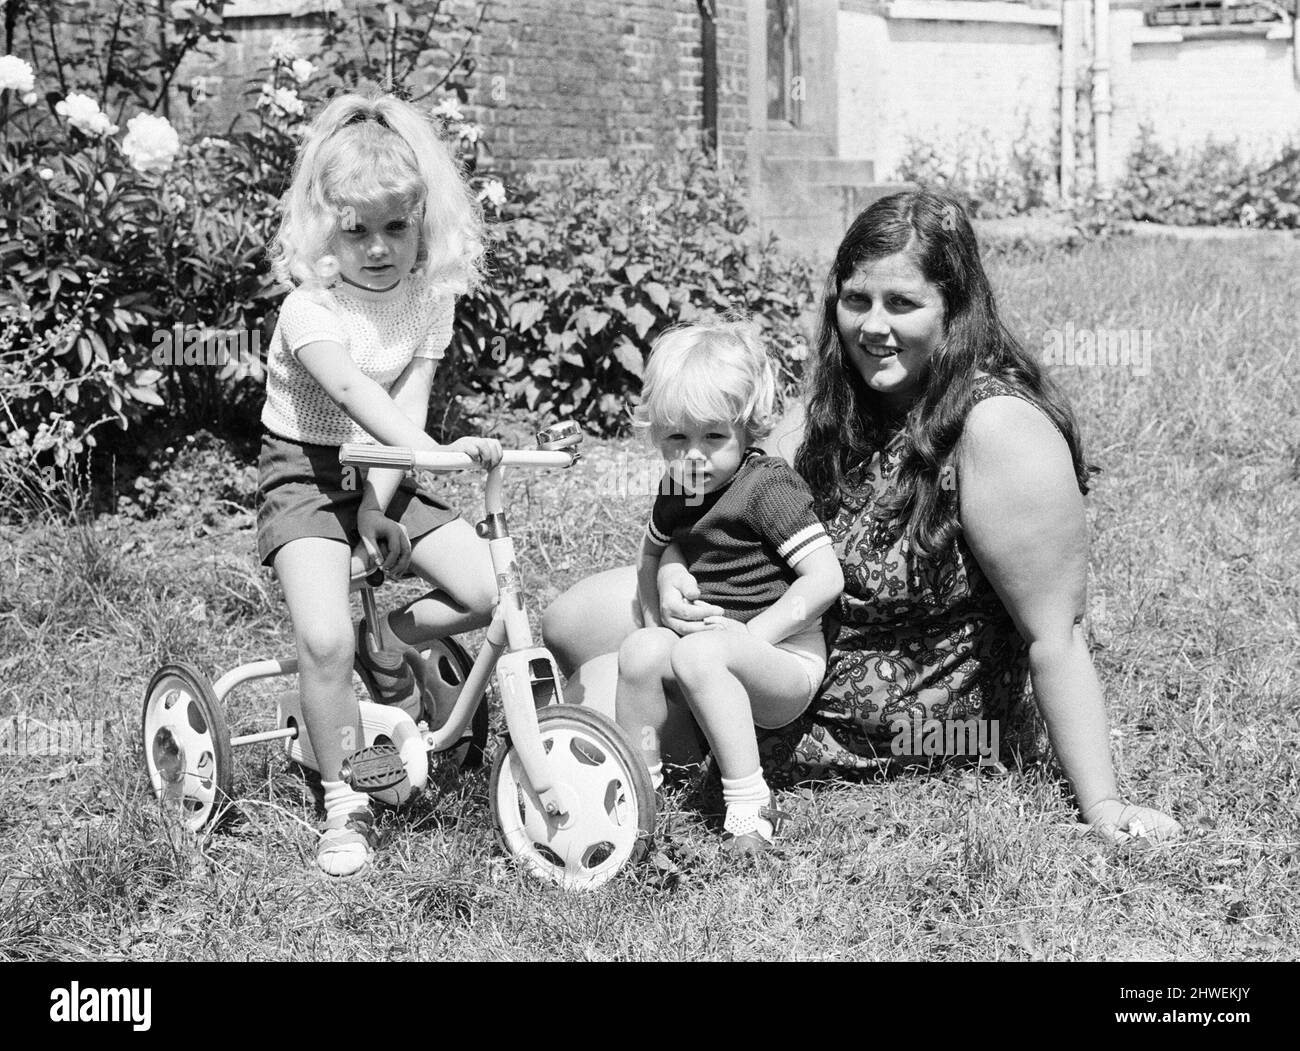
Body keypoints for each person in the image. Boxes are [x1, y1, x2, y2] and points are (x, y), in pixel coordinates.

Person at [543, 190, 1181, 844]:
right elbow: (720, 505)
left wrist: (1103, 805)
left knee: (606, 677)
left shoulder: (999, 428)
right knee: (571, 617)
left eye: (902, 303)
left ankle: (611, 781)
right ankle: (584, 748)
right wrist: (675, 566)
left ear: (955, 310)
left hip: (907, 721)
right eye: (857, 300)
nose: (873, 325)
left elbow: (1057, 636)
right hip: (798, 639)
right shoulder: (841, 398)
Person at [258, 92, 502, 877]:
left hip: (390, 461)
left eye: (396, 227)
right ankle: (345, 800)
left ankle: (393, 641)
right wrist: (427, 454)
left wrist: (382, 498)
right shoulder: (310, 308)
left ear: (423, 218)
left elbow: (407, 397)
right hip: (305, 468)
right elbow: (356, 395)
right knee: (322, 640)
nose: (377, 249)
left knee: (488, 590)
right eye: (355, 230)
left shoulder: (430, 299)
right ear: (325, 224)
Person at [615, 322, 843, 854]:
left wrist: (754, 636)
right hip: (710, 650)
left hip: (783, 662)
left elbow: (826, 576)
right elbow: (651, 554)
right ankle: (639, 787)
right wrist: (658, 615)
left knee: (701, 654)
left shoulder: (767, 488)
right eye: (677, 438)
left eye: (714, 436)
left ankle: (748, 804)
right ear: (655, 434)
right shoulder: (679, 487)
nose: (694, 455)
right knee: (639, 650)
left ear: (747, 429)